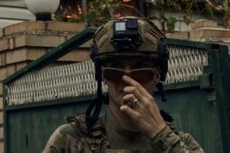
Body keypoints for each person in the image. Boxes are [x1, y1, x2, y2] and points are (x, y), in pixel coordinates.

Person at [42, 15, 204, 152]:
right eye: (115, 71)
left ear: (157, 76)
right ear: (103, 76)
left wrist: (161, 135)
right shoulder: (70, 141)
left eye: (140, 71)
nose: (128, 81)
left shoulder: (181, 144)